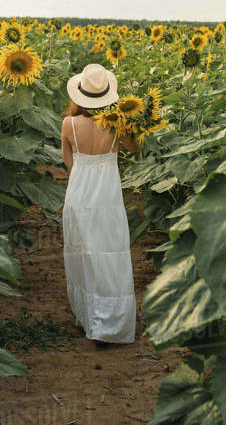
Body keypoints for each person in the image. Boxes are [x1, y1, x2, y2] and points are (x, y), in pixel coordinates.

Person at [61, 63, 141, 349]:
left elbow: (69, 163)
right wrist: (130, 123)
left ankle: (89, 317)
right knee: (111, 255)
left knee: (84, 255)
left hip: (79, 195)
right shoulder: (116, 126)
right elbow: (136, 148)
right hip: (107, 196)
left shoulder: (68, 124)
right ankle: (109, 323)